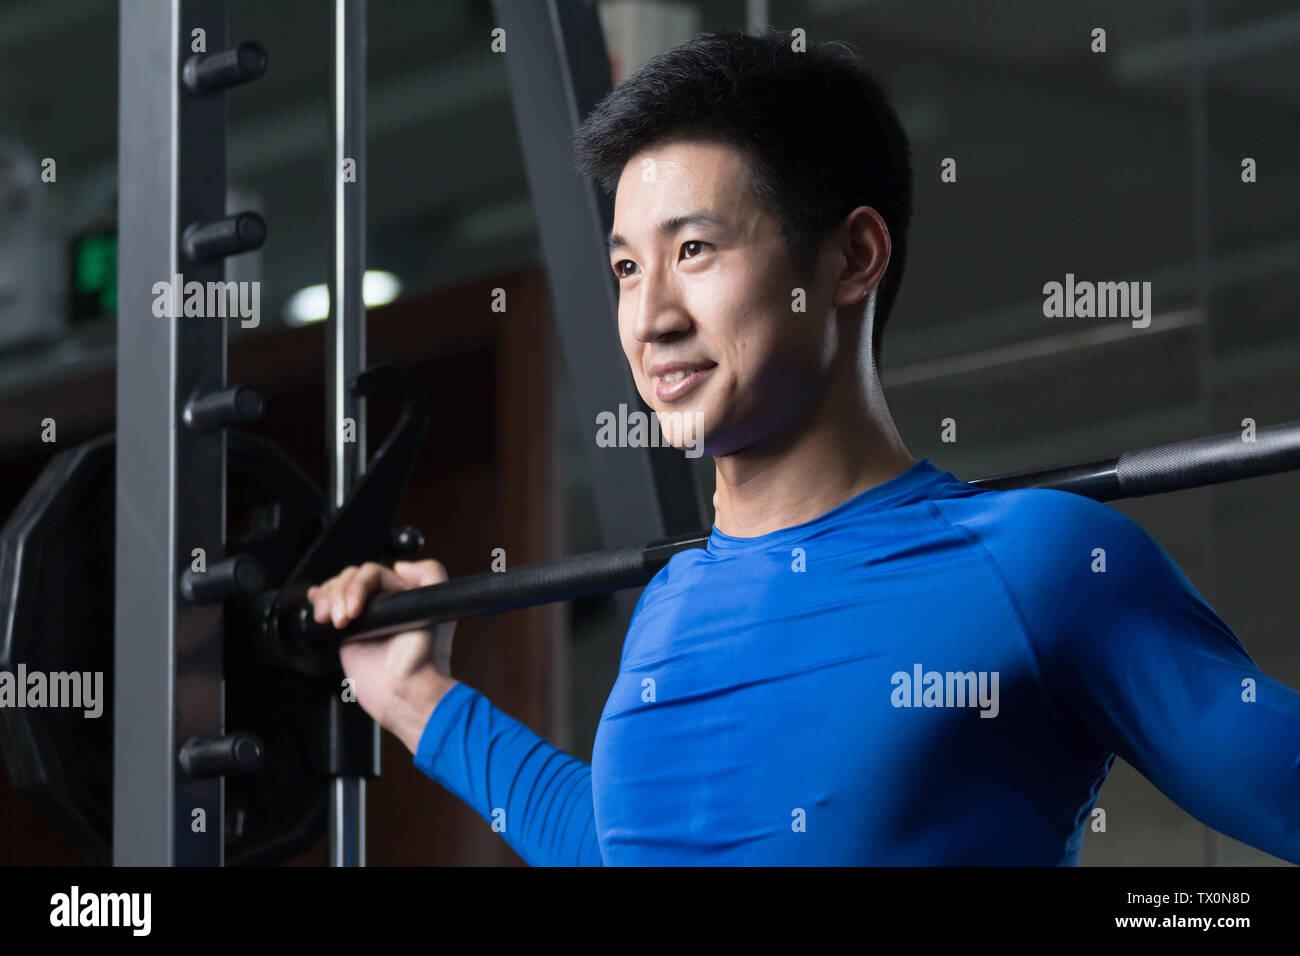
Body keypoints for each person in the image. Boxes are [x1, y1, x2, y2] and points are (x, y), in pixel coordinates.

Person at [308, 30, 1300, 865]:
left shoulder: (1041, 565)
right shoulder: (671, 604)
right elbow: (618, 845)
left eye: (693, 250)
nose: (648, 315)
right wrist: (415, 694)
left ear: (852, 257)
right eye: (624, 266)